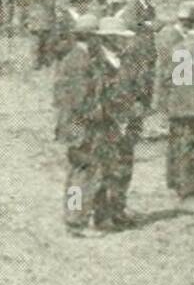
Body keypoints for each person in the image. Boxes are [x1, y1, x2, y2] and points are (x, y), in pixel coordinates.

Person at [53, 14, 108, 237]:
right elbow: (80, 99)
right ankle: (76, 220)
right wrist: (95, 114)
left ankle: (73, 217)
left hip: (73, 124)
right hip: (80, 125)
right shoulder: (81, 60)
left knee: (77, 172)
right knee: (83, 173)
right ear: (92, 37)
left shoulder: (75, 56)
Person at [93, 16, 139, 228]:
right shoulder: (95, 63)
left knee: (124, 169)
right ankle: (101, 216)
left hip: (128, 122)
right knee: (104, 170)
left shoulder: (127, 60)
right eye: (119, 38)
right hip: (106, 124)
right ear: (108, 39)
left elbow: (137, 88)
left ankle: (118, 209)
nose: (123, 42)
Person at [159, 2, 194, 198]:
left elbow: (165, 76)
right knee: (190, 144)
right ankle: (186, 187)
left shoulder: (176, 47)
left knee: (175, 141)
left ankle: (173, 180)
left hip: (175, 103)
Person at [21, 0, 57, 70]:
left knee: (35, 42)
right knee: (47, 42)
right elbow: (52, 4)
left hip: (33, 18)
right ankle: (47, 62)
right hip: (46, 18)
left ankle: (36, 64)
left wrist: (23, 20)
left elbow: (22, 5)